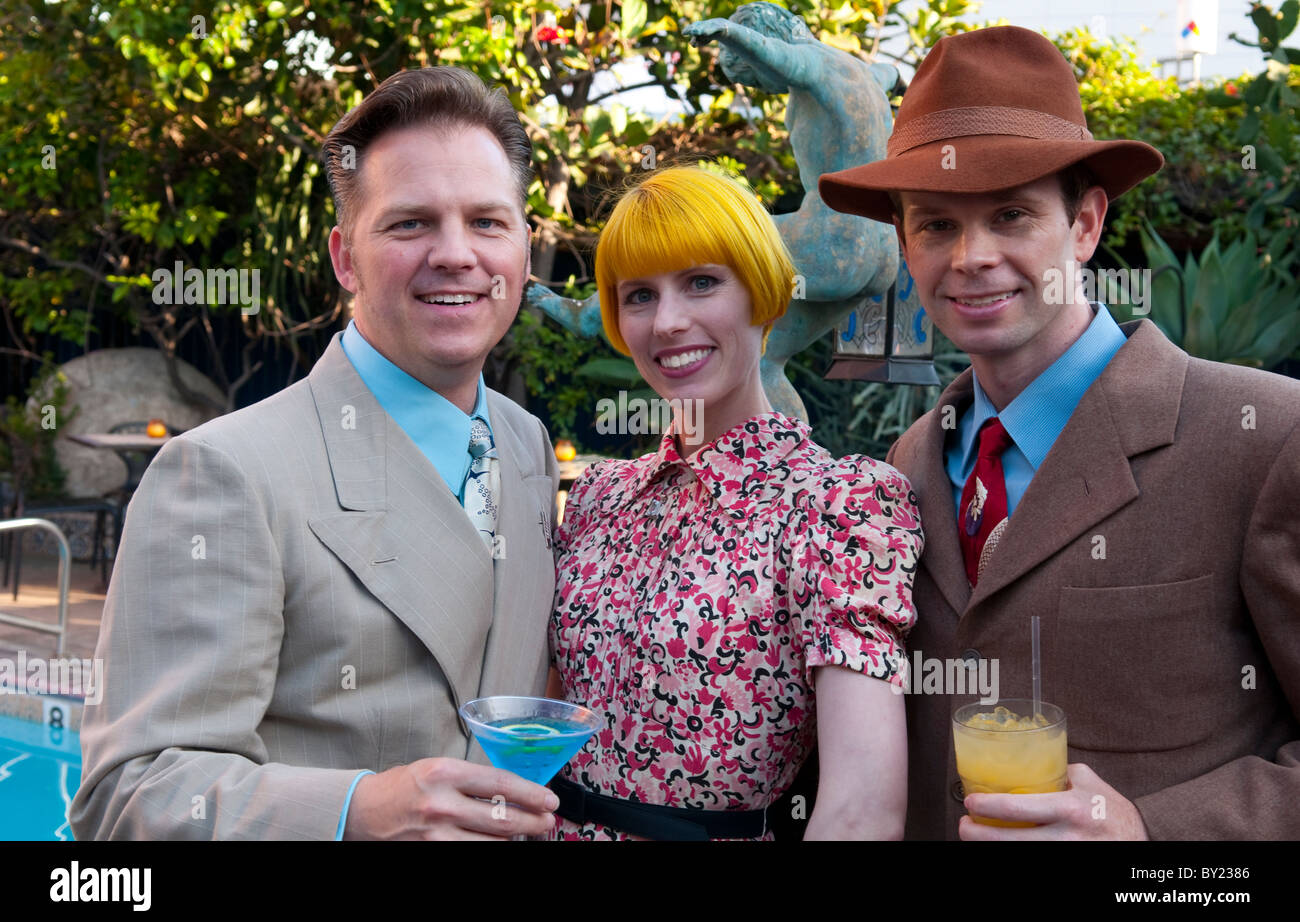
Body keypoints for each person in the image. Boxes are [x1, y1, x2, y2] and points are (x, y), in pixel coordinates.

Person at [819, 25, 1300, 840]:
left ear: (1084, 225)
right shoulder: (905, 467)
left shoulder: (1264, 438)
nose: (972, 257)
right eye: (936, 224)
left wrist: (1150, 833)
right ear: (904, 242)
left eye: (1011, 215)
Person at [71, 67, 563, 840]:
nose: (456, 254)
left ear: (524, 249)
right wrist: (356, 810)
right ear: (344, 258)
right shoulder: (225, 473)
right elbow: (129, 794)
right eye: (409, 224)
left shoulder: (526, 443)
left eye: (488, 222)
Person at [547, 165, 923, 840]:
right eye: (638, 295)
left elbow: (861, 809)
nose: (667, 321)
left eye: (701, 282)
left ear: (763, 293)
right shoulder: (598, 498)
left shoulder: (836, 506)